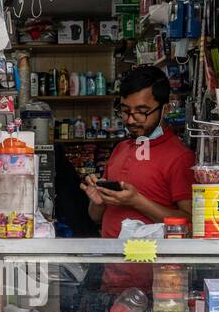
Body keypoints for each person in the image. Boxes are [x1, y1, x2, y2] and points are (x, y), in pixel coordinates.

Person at [82, 65, 194, 237]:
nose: (131, 120)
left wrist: (136, 201)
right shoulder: (120, 148)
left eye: (141, 112)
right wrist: (98, 201)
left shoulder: (180, 157)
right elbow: (95, 217)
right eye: (125, 111)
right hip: (110, 261)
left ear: (165, 109)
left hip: (153, 262)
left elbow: (190, 223)